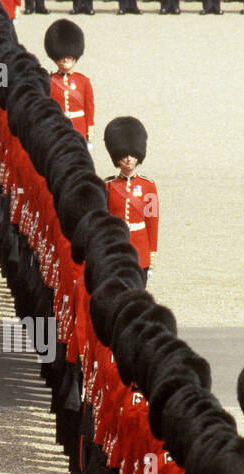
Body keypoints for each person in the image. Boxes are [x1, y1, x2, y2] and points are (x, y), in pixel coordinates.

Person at [103, 117, 158, 281]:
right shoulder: (108, 186)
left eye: (132, 155)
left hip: (140, 251)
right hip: (116, 249)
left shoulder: (148, 186)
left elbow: (152, 221)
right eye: (124, 155)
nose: (128, 159)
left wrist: (151, 256)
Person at [44, 19, 94, 146]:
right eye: (61, 56)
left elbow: (89, 107)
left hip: (79, 128)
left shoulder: (83, 81)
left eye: (69, 56)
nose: (66, 59)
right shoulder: (50, 81)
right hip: (57, 128)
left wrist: (90, 127)